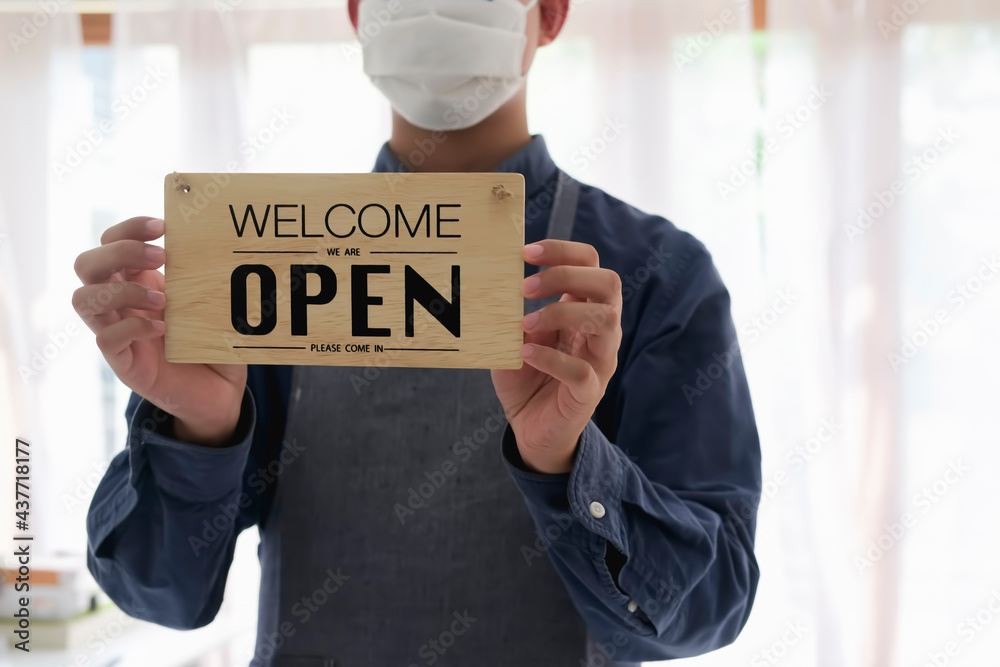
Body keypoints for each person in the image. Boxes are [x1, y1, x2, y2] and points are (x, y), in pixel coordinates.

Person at [74, 1, 762, 665]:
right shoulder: (265, 264)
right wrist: (199, 429)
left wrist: (569, 462)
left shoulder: (656, 276)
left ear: (550, 12)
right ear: (358, 13)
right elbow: (158, 592)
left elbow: (711, 606)